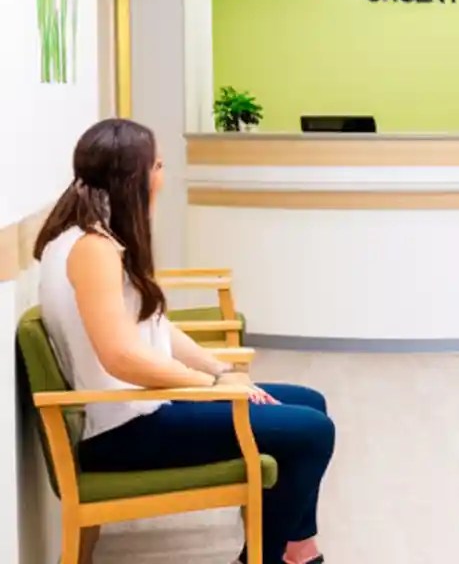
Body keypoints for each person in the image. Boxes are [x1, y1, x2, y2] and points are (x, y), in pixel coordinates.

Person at [33, 119, 335, 564]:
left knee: (310, 402)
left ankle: (299, 550)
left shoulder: (96, 237)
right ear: (132, 178)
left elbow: (156, 327)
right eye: (156, 165)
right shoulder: (91, 250)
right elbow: (119, 357)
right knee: (311, 432)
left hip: (149, 407)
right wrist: (211, 388)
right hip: (125, 429)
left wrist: (222, 371)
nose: (163, 175)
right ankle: (268, 558)